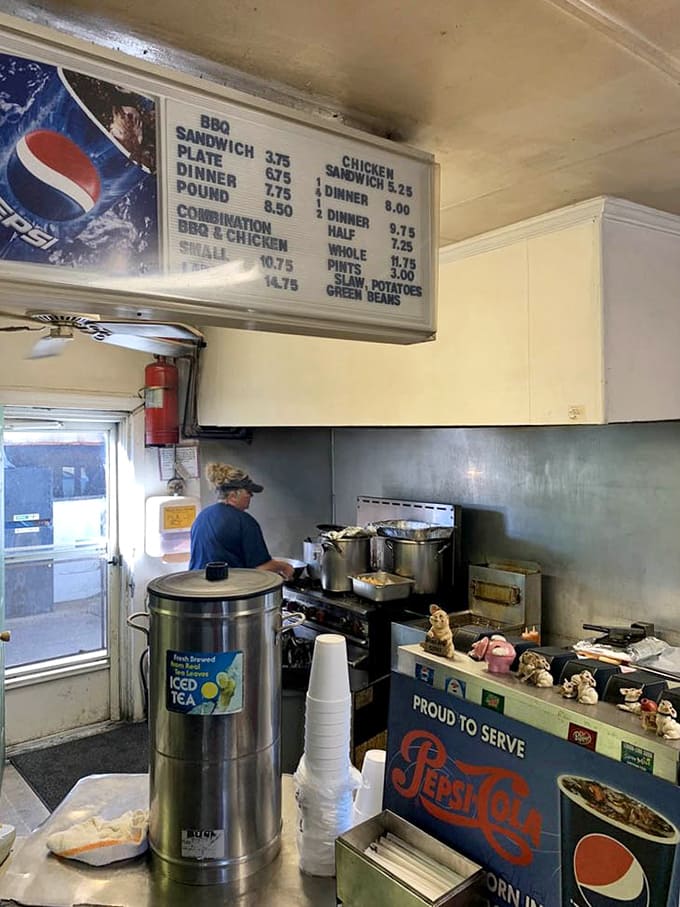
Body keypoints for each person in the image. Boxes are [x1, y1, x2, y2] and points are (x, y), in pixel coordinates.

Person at [189, 462, 294, 579]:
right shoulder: (244, 522)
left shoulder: (202, 517)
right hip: (228, 591)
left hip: (197, 589)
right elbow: (260, 567)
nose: (251, 496)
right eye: (248, 492)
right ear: (233, 495)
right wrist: (285, 567)